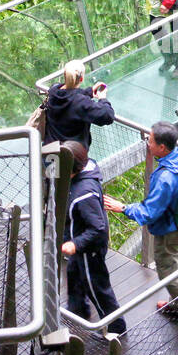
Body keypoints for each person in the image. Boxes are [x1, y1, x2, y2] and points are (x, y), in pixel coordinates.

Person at [103, 121, 178, 337]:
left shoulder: (166, 177)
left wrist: (123, 208)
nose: (147, 144)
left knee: (168, 272)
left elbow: (150, 211)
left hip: (170, 229)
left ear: (162, 147)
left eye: (150, 141)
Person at [61, 141, 125, 338]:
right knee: (74, 273)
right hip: (79, 241)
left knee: (96, 285)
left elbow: (98, 228)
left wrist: (75, 244)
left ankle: (116, 327)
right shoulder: (84, 171)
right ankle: (78, 310)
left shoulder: (84, 193)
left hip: (89, 248)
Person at [42, 60, 114, 149]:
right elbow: (107, 115)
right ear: (81, 79)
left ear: (65, 75)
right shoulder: (80, 102)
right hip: (70, 157)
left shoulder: (53, 92)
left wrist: (89, 92)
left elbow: (69, 95)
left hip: (48, 153)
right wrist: (102, 98)